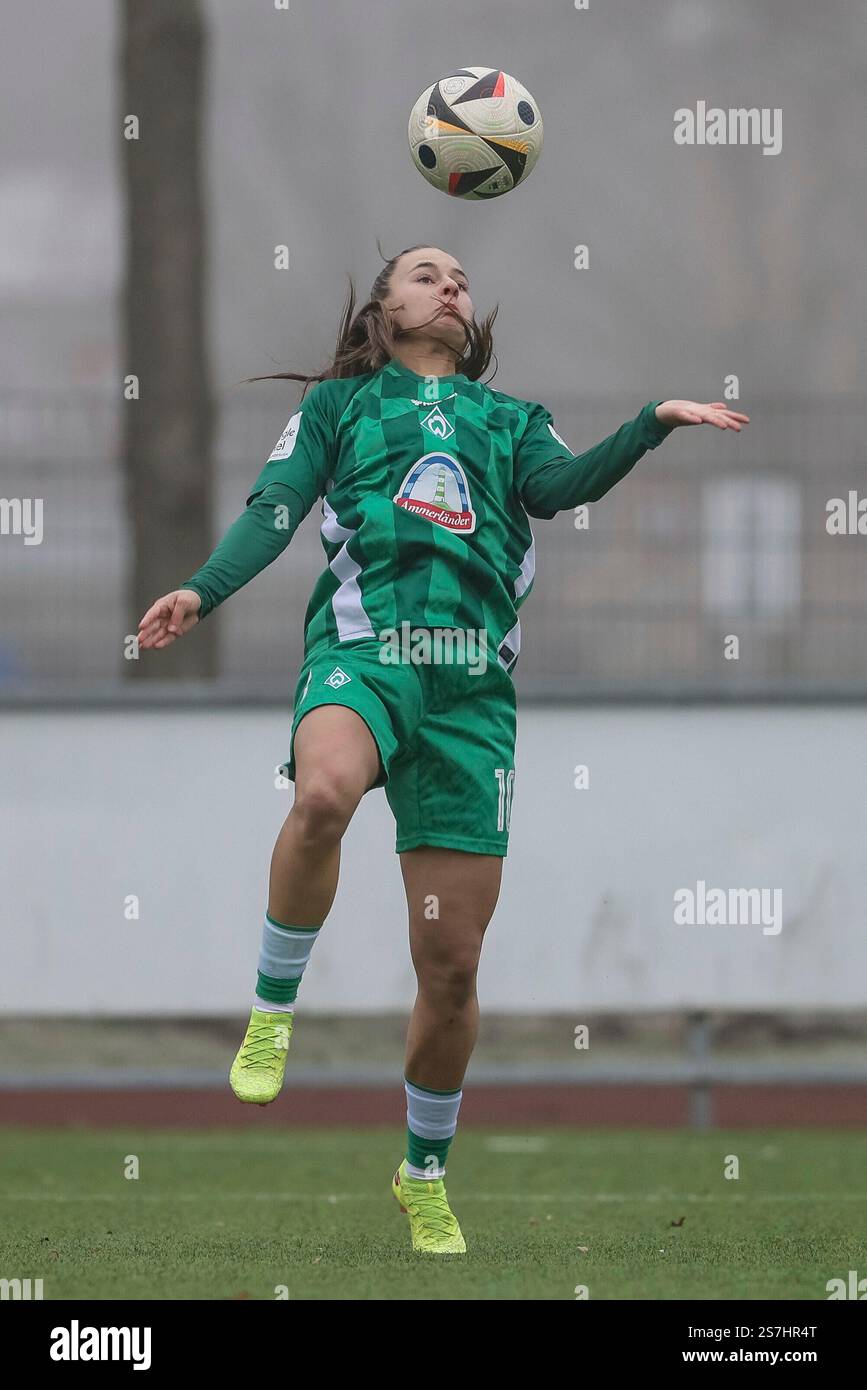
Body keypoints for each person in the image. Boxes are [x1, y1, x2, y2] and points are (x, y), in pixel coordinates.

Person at [137, 244, 749, 1254]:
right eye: (424, 272)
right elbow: (275, 509)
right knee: (324, 791)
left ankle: (422, 1174)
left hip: (471, 692)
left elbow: (560, 486)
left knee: (453, 968)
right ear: (383, 304)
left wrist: (649, 426)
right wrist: (201, 588)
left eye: (460, 275)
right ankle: (273, 1007)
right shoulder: (339, 409)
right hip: (367, 655)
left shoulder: (512, 421)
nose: (449, 284)